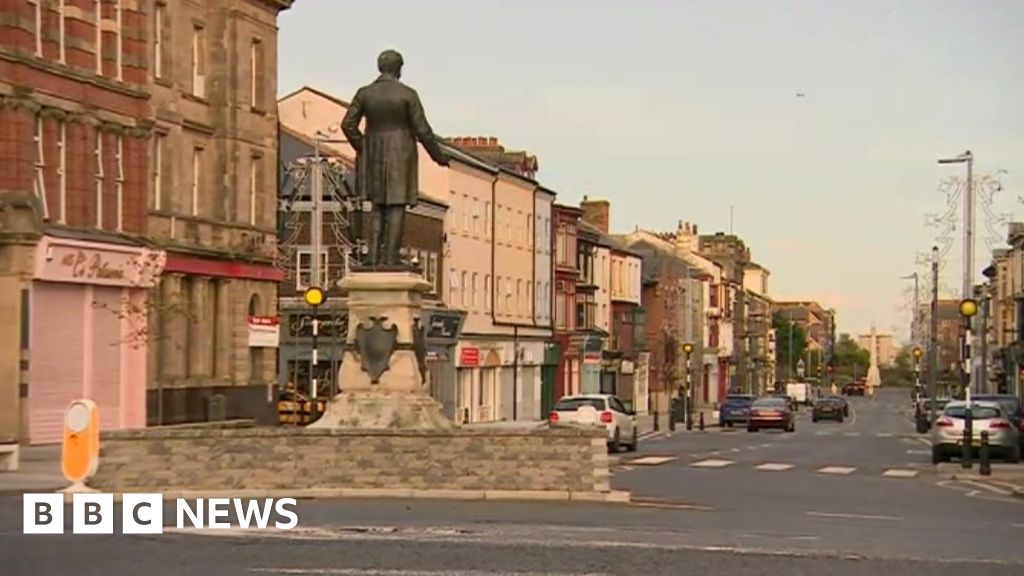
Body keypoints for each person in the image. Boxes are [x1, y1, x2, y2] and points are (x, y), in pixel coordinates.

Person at [341, 49, 450, 267]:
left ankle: (372, 256)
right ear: (399, 69)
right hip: (401, 153)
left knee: (378, 206)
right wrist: (438, 156)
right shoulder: (408, 94)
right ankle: (390, 257)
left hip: (373, 153)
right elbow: (422, 130)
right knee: (396, 206)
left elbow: (348, 125)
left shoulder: (364, 93)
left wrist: (364, 146)